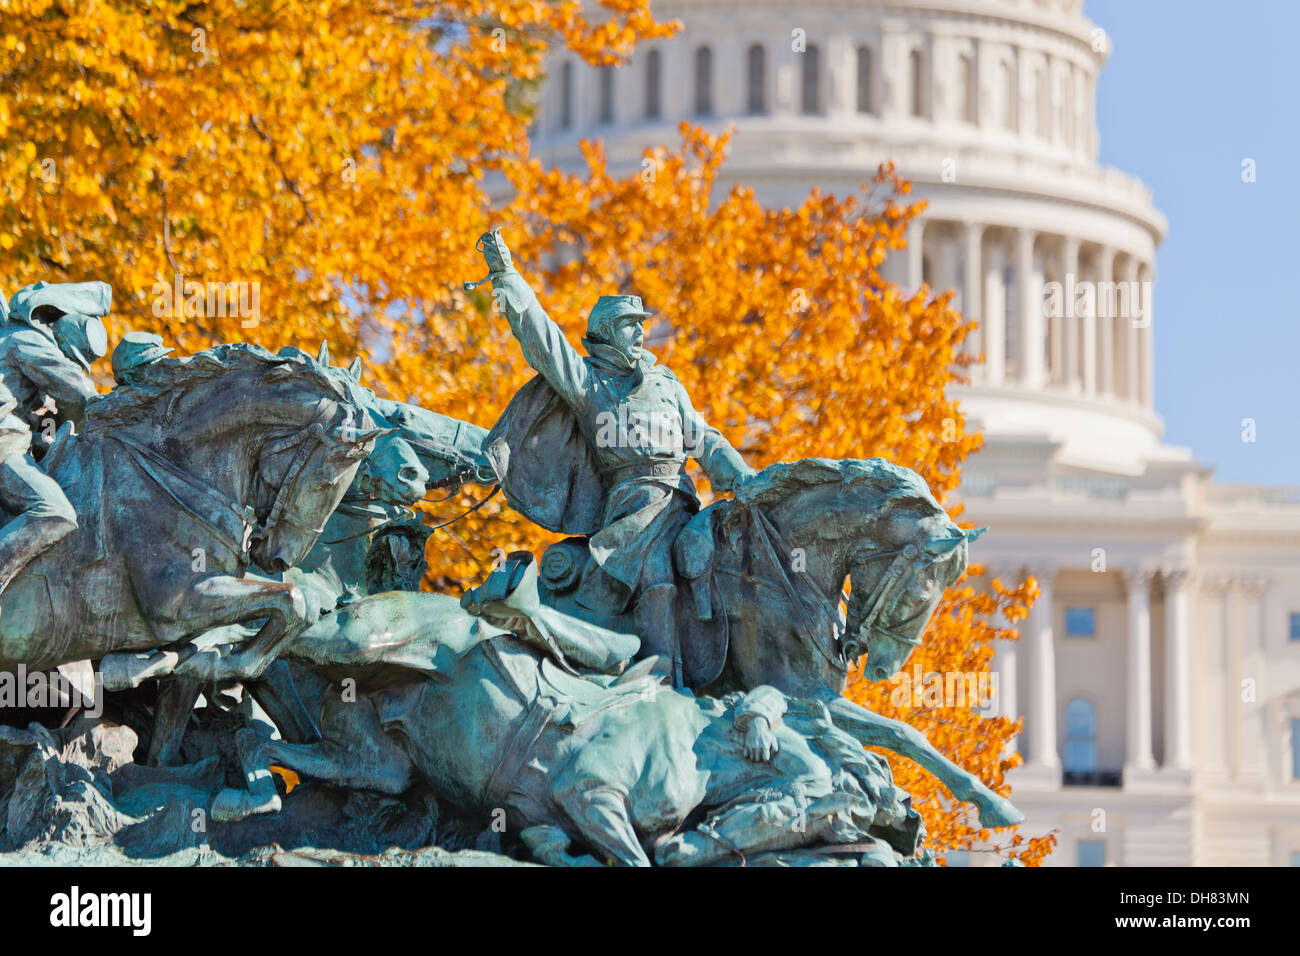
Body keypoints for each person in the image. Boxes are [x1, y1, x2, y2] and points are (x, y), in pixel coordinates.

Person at [478, 230, 756, 686]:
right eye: (631, 324)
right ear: (606, 332)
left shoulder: (666, 382)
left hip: (684, 504)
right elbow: (543, 340)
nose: (642, 332)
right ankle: (662, 676)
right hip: (632, 511)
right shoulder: (590, 385)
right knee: (656, 567)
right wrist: (506, 275)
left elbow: (703, 437)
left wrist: (739, 475)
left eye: (643, 323)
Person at [0, 281, 110, 597]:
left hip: (14, 441)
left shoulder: (15, 342)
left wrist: (53, 431)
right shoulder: (26, 341)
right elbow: (78, 392)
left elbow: (47, 425)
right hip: (4, 443)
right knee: (54, 511)